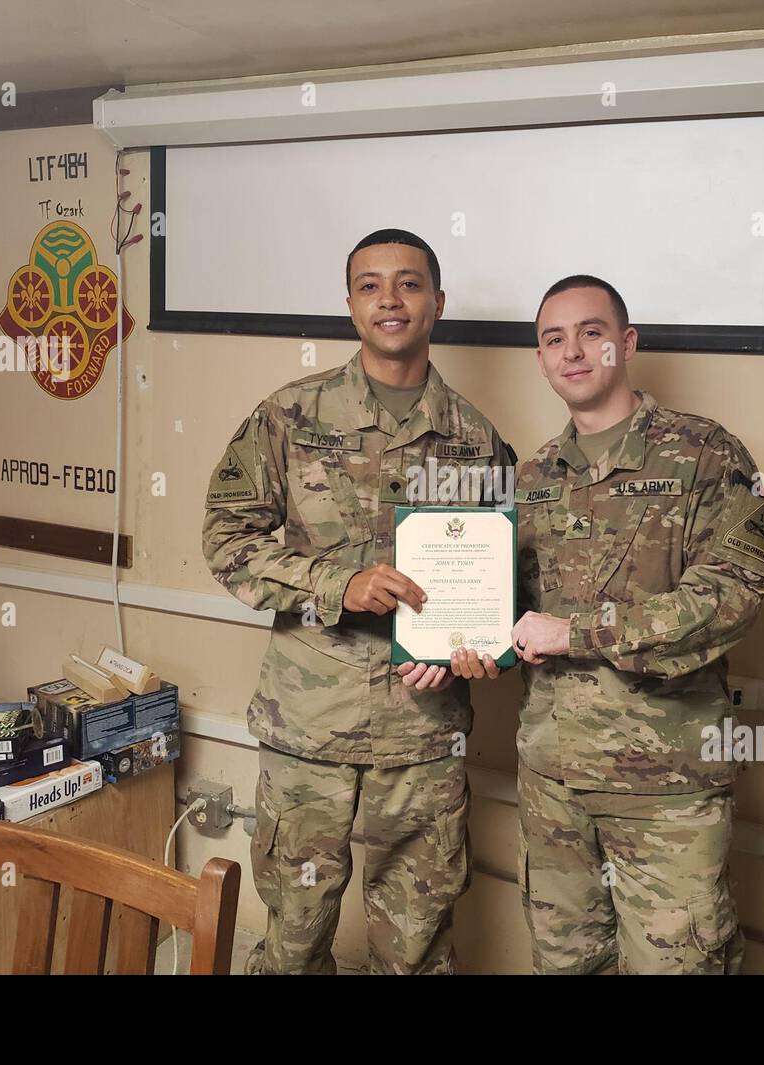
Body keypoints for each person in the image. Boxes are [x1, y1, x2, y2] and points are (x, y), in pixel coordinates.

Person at [203, 229, 514, 974]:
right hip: (310, 726)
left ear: (437, 302)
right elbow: (225, 538)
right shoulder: (289, 415)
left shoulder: (478, 440)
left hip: (424, 731)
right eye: (370, 284)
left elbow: (502, 579)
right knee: (295, 939)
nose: (390, 299)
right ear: (349, 304)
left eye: (409, 284)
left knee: (415, 944)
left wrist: (470, 650)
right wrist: (334, 584)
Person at [455, 274, 764, 973]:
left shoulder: (705, 456)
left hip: (666, 793)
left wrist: (577, 634)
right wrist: (457, 645)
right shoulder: (532, 476)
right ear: (540, 359)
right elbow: (505, 616)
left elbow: (732, 596)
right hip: (554, 785)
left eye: (591, 332)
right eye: (553, 338)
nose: (572, 350)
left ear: (625, 343)